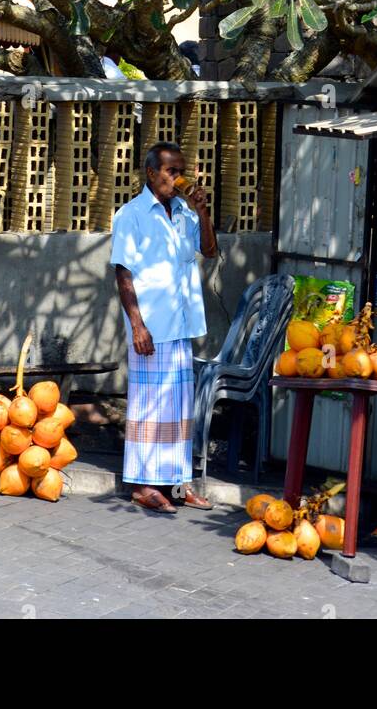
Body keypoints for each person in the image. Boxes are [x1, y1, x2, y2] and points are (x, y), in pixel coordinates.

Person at [110, 141, 218, 512]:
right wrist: (137, 325)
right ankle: (142, 486)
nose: (178, 178)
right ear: (151, 173)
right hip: (151, 329)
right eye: (171, 171)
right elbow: (123, 273)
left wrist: (202, 212)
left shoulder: (185, 214)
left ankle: (176, 483)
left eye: (180, 170)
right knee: (148, 407)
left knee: (178, 410)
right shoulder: (132, 215)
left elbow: (209, 251)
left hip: (181, 324)